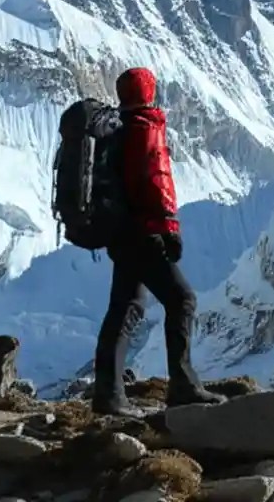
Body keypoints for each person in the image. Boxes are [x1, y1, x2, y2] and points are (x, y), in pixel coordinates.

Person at [91, 67, 228, 417]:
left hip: (120, 231)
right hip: (142, 232)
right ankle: (182, 385)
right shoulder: (144, 127)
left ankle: (108, 395)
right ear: (149, 92)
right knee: (182, 300)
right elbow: (155, 179)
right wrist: (168, 227)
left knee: (125, 308)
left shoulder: (116, 130)